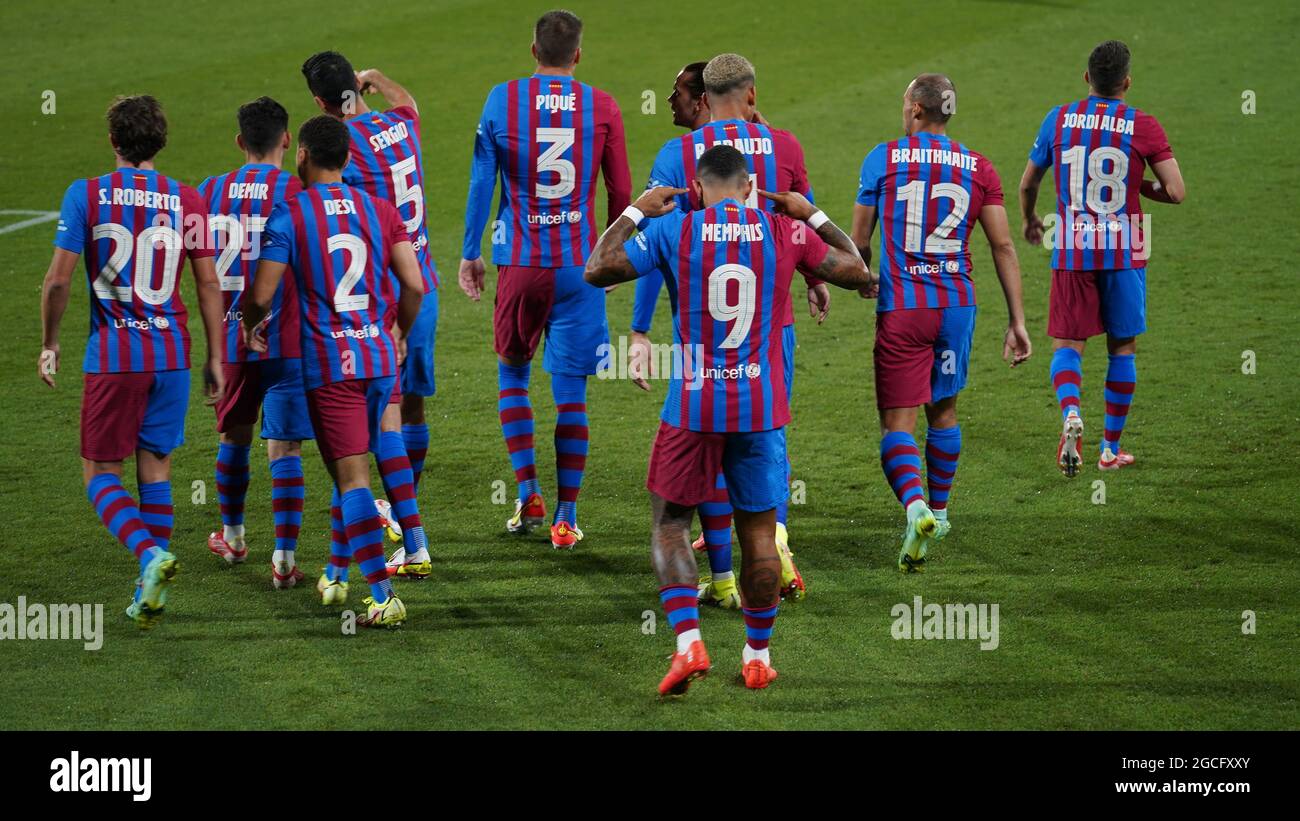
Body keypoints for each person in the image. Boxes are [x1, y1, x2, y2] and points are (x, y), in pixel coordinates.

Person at [584, 145, 874, 694]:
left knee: (671, 524)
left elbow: (597, 268)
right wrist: (807, 211)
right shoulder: (783, 231)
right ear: (748, 186)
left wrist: (636, 210)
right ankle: (757, 656)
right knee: (760, 534)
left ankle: (690, 645)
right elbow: (859, 270)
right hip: (761, 407)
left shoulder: (677, 230)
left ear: (697, 188)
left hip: (693, 406)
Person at [630, 53, 821, 606]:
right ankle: (774, 541)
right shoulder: (785, 145)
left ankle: (723, 576)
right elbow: (801, 217)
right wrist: (815, 280)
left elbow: (658, 241)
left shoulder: (678, 154)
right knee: (764, 434)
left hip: (708, 321)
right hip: (773, 317)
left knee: (711, 434)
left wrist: (640, 330)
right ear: (752, 94)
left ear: (702, 101)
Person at [38, 95, 226, 628]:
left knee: (99, 472)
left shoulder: (87, 194)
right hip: (172, 354)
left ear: (113, 142)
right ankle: (148, 592)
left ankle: (149, 557)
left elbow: (57, 279)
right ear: (160, 142)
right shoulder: (187, 200)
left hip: (116, 355)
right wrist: (214, 356)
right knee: (157, 469)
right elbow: (208, 281)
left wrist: (50, 342)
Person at [459, 9, 631, 549]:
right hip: (581, 266)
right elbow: (621, 192)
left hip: (522, 264)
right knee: (571, 393)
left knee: (513, 372)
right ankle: (566, 515)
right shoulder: (602, 105)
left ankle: (528, 490)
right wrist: (613, 256)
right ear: (577, 55)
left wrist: (470, 252)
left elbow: (482, 180)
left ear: (533, 51)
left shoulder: (500, 100)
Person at [243, 115, 424, 628]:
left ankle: (384, 596)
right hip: (379, 360)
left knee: (352, 481)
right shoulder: (380, 210)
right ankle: (338, 569)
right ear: (347, 158)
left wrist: (250, 327)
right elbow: (413, 284)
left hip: (331, 366)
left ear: (301, 154)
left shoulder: (289, 215)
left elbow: (260, 294)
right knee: (358, 472)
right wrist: (398, 330)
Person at [851, 74, 1032, 572]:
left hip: (905, 308)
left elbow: (858, 242)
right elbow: (1002, 246)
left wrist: (862, 277)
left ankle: (916, 507)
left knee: (898, 426)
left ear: (914, 109)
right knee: (945, 412)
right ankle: (943, 511)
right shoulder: (979, 167)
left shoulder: (883, 158)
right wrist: (1018, 320)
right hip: (957, 306)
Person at [1019, 40, 1184, 476]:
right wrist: (1137, 187)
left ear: (1086, 78)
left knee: (1068, 344)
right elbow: (1175, 192)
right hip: (1125, 250)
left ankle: (1071, 411)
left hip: (1073, 248)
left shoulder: (1058, 119)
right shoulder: (1142, 125)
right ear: (1126, 82)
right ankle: (1110, 449)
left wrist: (1031, 219)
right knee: (1122, 348)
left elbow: (1028, 183)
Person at [302, 50, 435, 577]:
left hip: (375, 307)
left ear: (318, 102)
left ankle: (351, 562)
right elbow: (410, 102)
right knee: (411, 410)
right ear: (357, 87)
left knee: (359, 432)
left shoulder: (341, 152)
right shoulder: (400, 125)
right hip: (422, 288)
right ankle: (410, 525)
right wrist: (380, 77)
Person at [199, 97, 313, 588]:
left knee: (234, 436)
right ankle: (284, 563)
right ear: (287, 140)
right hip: (290, 337)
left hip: (231, 339)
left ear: (241, 142)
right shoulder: (301, 190)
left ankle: (234, 537)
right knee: (285, 446)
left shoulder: (209, 191)